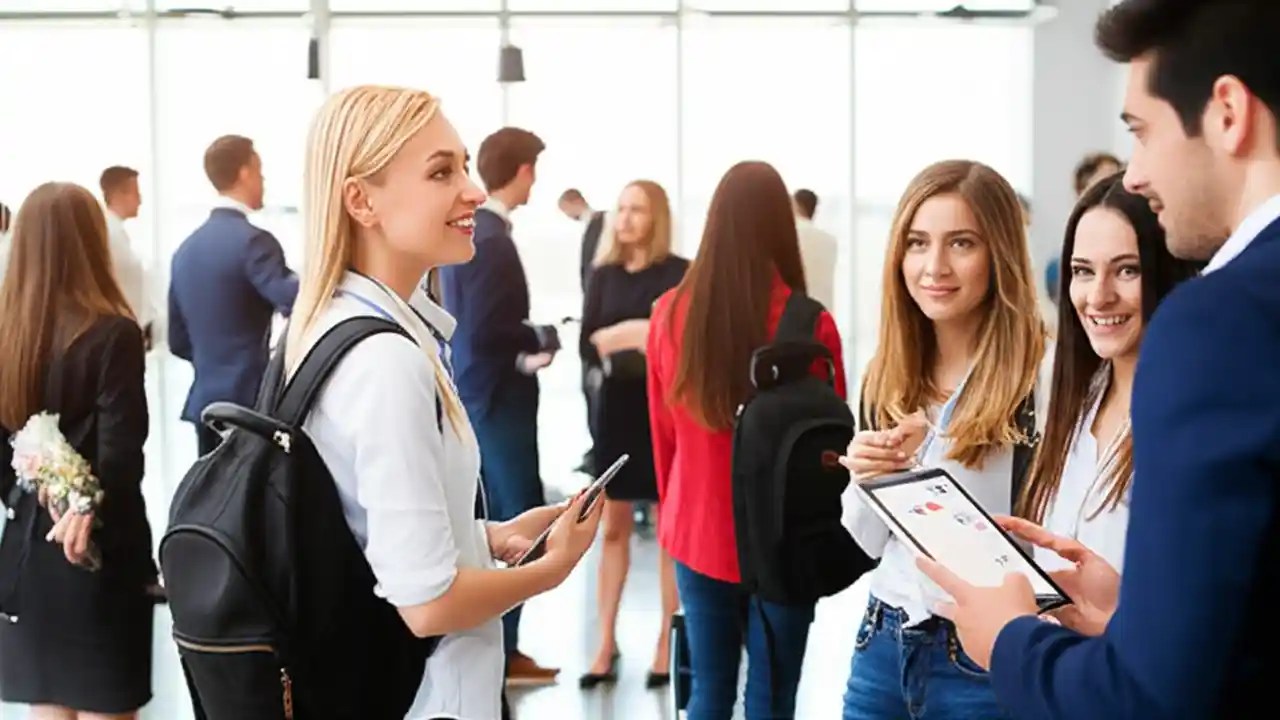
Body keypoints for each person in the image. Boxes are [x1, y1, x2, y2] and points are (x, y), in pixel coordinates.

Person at [915, 2, 1280, 719]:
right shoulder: (1075, 398)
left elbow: (1145, 699)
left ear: (1228, 112)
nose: (1136, 174)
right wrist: (1138, 618)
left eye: (1141, 134)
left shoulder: (1218, 324)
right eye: (1082, 271)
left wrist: (1011, 638)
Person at [284, 84, 604, 719]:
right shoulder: (385, 360)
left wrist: (491, 536)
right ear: (361, 200)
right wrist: (553, 569)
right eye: (441, 172)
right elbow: (427, 603)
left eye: (462, 165)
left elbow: (364, 534)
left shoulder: (334, 326)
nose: (473, 190)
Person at [838, 159, 1047, 720]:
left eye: (961, 243)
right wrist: (866, 479)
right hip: (884, 635)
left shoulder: (1040, 376)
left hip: (984, 652)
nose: (934, 266)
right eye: (917, 243)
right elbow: (867, 542)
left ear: (998, 253)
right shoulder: (887, 372)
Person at [647, 161, 847, 719]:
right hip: (787, 540)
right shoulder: (812, 325)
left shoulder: (669, 315)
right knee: (773, 698)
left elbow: (663, 438)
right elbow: (829, 449)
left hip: (699, 530)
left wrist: (674, 519)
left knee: (706, 695)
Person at [0, 182, 156, 720]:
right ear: (92, 241)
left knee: (48, 704)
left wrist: (38, 492)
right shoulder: (113, 333)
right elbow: (121, 457)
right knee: (105, 702)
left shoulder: (6, 334)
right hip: (99, 551)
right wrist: (82, 507)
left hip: (28, 549)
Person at [1016, 172, 1197, 581]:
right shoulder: (1073, 395)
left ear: (1168, 273)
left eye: (1127, 270)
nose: (1098, 296)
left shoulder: (1191, 416)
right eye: (1083, 271)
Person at [438, 126, 562, 685]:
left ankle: (498, 649)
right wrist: (535, 340)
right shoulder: (493, 239)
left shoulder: (472, 237)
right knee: (518, 521)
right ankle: (505, 651)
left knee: (486, 519)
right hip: (496, 402)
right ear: (526, 170)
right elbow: (488, 330)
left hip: (474, 394)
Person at [578, 180, 687, 690]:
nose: (624, 218)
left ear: (656, 216)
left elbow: (678, 344)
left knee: (669, 530)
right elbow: (589, 344)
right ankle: (605, 641)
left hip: (664, 412)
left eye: (636, 209)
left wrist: (627, 336)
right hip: (615, 413)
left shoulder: (680, 274)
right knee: (613, 528)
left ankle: (666, 640)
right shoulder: (603, 275)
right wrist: (640, 333)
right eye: (620, 208)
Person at [168, 134, 299, 457]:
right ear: (244, 173)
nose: (263, 181)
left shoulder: (185, 250)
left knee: (212, 503)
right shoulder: (254, 242)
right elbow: (296, 300)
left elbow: (177, 341)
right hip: (250, 408)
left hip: (205, 406)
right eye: (260, 171)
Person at [100, 166, 154, 341]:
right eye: (135, 194)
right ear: (119, 194)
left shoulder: (116, 232)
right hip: (118, 332)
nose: (140, 201)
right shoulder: (109, 234)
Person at [791, 188, 838, 310]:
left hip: (797, 313)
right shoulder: (830, 241)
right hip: (824, 311)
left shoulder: (790, 236)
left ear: (794, 205)